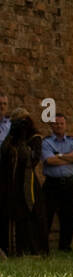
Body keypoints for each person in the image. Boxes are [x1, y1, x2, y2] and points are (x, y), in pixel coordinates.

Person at [2, 108, 48, 256]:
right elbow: (3, 157)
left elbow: (32, 159)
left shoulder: (35, 138)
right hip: (12, 184)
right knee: (14, 215)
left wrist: (22, 140)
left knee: (33, 215)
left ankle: (36, 250)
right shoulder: (11, 139)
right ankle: (14, 249)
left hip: (28, 183)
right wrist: (12, 136)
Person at [41, 113, 73, 251]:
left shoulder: (72, 141)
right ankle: (43, 248)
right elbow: (49, 160)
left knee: (68, 216)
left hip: (69, 184)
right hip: (52, 184)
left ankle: (65, 247)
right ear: (51, 125)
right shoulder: (46, 142)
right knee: (46, 215)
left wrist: (59, 156)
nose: (58, 126)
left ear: (65, 125)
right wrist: (67, 158)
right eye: (56, 124)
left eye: (61, 124)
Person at [0, 93, 11, 256]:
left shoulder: (11, 126)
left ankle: (4, 248)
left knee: (3, 210)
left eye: (4, 104)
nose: (2, 106)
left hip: (5, 172)